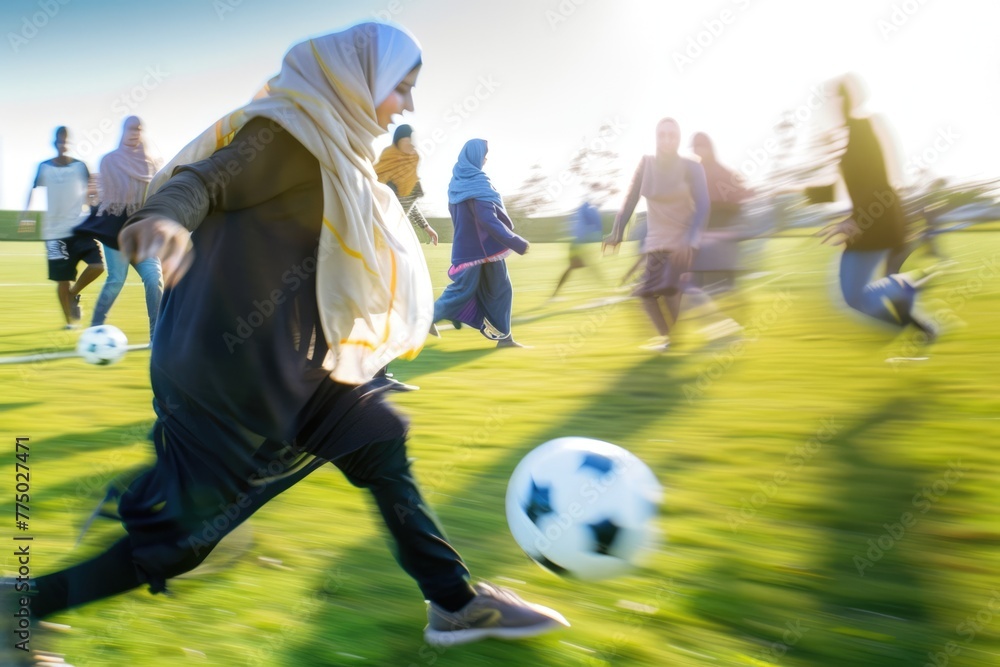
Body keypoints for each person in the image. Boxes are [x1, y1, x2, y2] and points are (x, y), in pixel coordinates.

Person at [2, 23, 566, 665]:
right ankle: (19, 607)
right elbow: (206, 181)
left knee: (379, 436)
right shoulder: (287, 135)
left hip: (283, 356)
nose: (406, 105)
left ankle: (456, 603)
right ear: (359, 82)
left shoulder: (335, 148)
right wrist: (163, 219)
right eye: (400, 89)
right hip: (227, 369)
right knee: (182, 544)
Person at [818, 75, 935, 339]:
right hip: (872, 221)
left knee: (854, 297)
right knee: (855, 297)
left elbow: (878, 183)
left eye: (832, 98)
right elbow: (840, 188)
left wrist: (856, 220)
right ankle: (912, 328)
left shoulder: (862, 129)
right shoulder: (848, 134)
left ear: (844, 99)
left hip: (876, 222)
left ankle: (906, 306)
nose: (827, 106)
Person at [603, 118, 710, 352]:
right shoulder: (646, 164)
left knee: (669, 289)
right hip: (657, 240)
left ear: (678, 138)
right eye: (662, 134)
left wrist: (691, 240)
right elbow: (631, 198)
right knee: (646, 293)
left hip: (682, 241)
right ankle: (672, 340)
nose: (667, 139)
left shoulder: (692, 167)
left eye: (672, 135)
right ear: (656, 137)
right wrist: (617, 232)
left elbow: (703, 204)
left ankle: (675, 342)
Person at [432, 139, 530, 347]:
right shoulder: (477, 182)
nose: (486, 158)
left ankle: (504, 338)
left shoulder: (457, 182)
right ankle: (416, 324)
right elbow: (488, 219)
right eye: (484, 154)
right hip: (478, 251)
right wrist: (516, 242)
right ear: (475, 155)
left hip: (482, 248)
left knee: (501, 289)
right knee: (460, 292)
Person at [75, 116, 164, 339]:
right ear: (123, 132)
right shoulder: (109, 161)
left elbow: (157, 194)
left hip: (142, 232)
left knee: (154, 279)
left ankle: (157, 337)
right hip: (115, 231)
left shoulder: (152, 163)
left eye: (138, 129)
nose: (134, 133)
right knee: (116, 280)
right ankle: (95, 330)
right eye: (130, 129)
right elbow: (103, 196)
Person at [25, 126, 104, 329]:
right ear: (55, 143)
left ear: (70, 143)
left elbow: (92, 191)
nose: (63, 145)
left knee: (98, 266)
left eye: (67, 141)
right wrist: (26, 214)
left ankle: (73, 293)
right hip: (54, 235)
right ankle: (70, 323)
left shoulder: (81, 166)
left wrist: (97, 205)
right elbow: (33, 189)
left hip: (80, 228)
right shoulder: (43, 167)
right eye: (60, 141)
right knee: (62, 280)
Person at [689, 132, 751, 291]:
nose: (696, 151)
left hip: (720, 220)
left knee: (717, 260)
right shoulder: (695, 171)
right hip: (703, 222)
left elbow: (737, 196)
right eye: (695, 148)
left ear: (708, 148)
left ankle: (724, 283)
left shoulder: (720, 171)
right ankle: (701, 283)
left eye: (700, 147)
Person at [375, 123, 439, 245]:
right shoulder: (387, 159)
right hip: (377, 228)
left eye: (412, 140)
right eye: (406, 140)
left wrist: (427, 227)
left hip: (396, 231)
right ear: (397, 141)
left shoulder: (412, 163)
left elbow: (409, 202)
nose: (410, 144)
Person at [550, 187, 604, 299]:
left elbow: (570, 223)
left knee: (575, 267)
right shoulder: (589, 209)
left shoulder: (578, 210)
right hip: (582, 243)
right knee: (588, 266)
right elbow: (596, 226)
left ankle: (555, 293)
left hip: (574, 243)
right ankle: (603, 289)